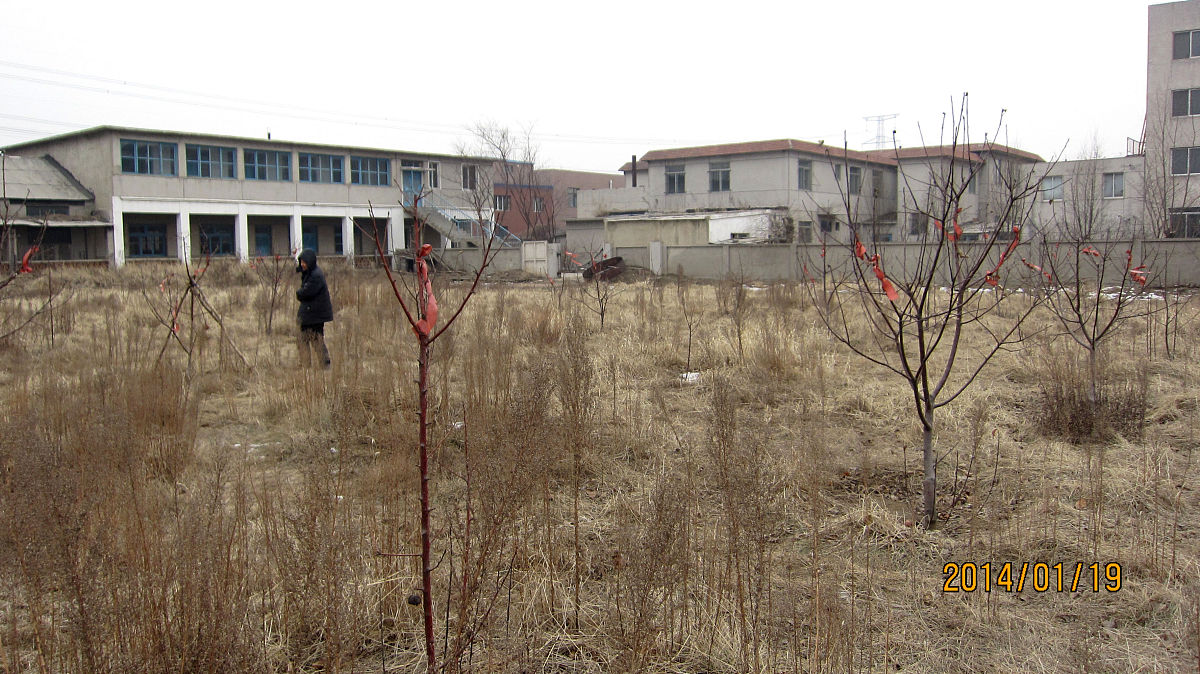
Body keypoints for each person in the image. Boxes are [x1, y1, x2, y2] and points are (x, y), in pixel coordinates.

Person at [295, 249, 333, 368]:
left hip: (315, 315)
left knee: (316, 339)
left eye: (304, 262)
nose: (302, 265)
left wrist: (299, 293)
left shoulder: (316, 276)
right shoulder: (310, 273)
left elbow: (304, 293)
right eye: (301, 262)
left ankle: (324, 364)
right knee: (304, 339)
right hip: (310, 314)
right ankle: (306, 364)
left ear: (310, 262)